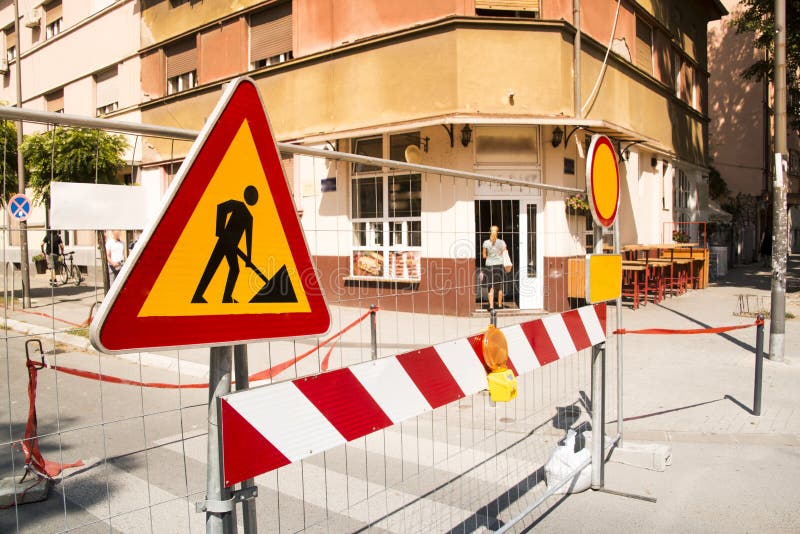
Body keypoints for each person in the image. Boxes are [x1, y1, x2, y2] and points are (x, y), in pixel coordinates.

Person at [192, 185, 258, 304]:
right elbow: (221, 208)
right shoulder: (238, 205)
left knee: (233, 269)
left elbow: (249, 239)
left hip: (231, 246)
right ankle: (199, 296)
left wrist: (249, 258)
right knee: (213, 266)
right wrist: (220, 231)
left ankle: (225, 298)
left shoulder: (249, 217)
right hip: (224, 242)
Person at [482, 225, 507, 310]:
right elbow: (505, 253)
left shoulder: (486, 242)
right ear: (498, 232)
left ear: (490, 232)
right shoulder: (502, 242)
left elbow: (484, 256)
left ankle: (491, 306)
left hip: (489, 266)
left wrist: (491, 256)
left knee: (490, 287)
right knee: (499, 286)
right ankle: (500, 305)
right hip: (499, 265)